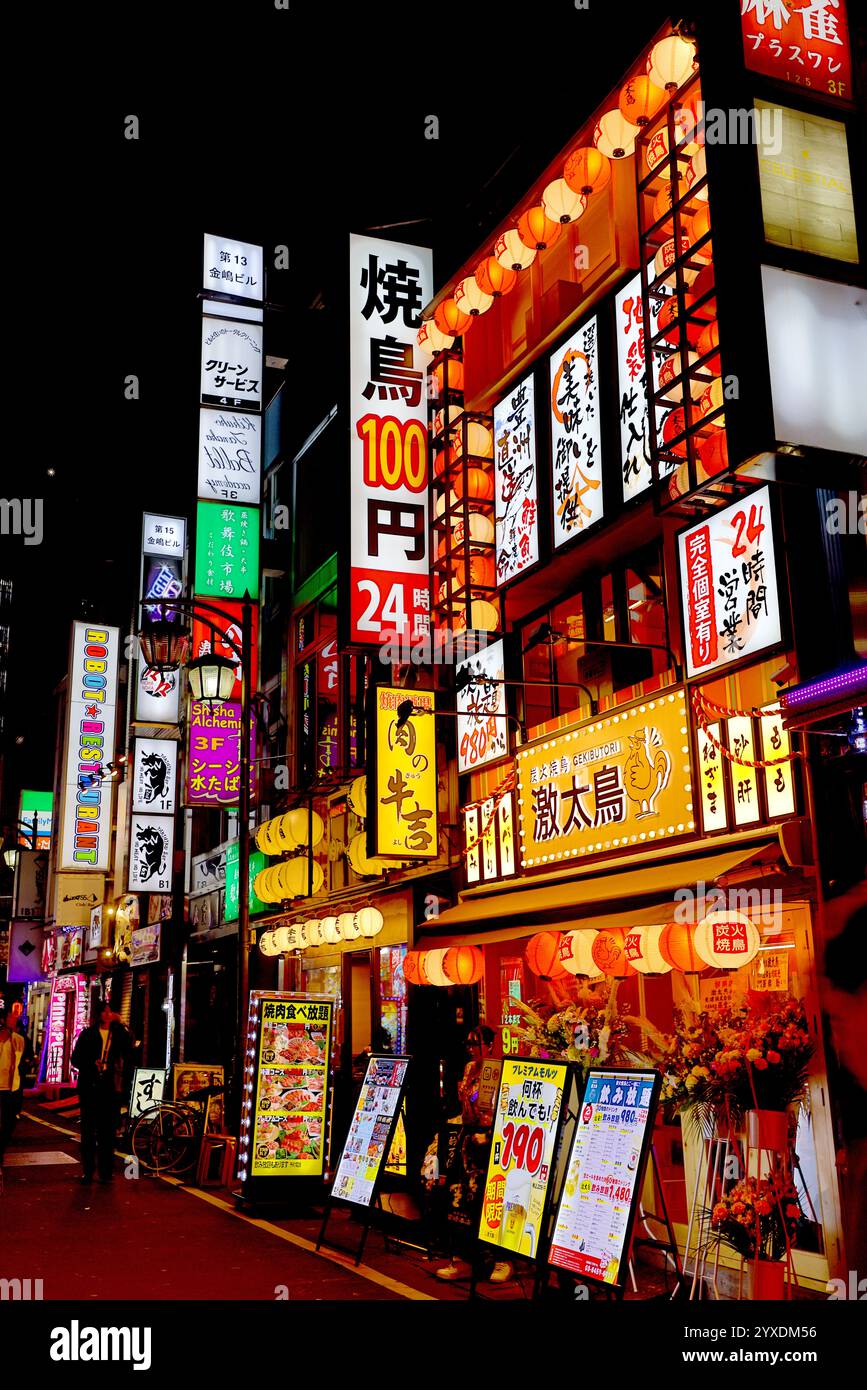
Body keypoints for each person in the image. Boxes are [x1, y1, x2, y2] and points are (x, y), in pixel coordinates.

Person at [430, 1025, 512, 1285]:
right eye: (468, 1044)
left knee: (490, 1200)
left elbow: (497, 1108)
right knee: (460, 1198)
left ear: (488, 1045)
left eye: (475, 1044)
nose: (471, 1049)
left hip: (489, 1140)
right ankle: (462, 1258)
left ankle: (501, 1259)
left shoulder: (496, 1070)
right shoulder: (468, 1069)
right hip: (468, 1137)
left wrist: (489, 1135)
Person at [71, 1002, 133, 1184]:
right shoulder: (88, 1034)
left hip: (111, 1089)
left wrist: (121, 1023)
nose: (107, 1014)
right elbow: (75, 1059)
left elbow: (130, 1049)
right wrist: (92, 1063)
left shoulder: (119, 1034)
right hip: (90, 1088)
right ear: (98, 1015)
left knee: (108, 1132)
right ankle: (88, 1171)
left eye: (109, 1011)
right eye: (104, 1012)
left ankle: (106, 1172)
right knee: (88, 1131)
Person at [0, 1004, 26, 1193]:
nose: (13, 1020)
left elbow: (20, 1063)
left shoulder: (18, 1040)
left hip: (12, 1088)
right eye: (11, 1017)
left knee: (9, 1123)